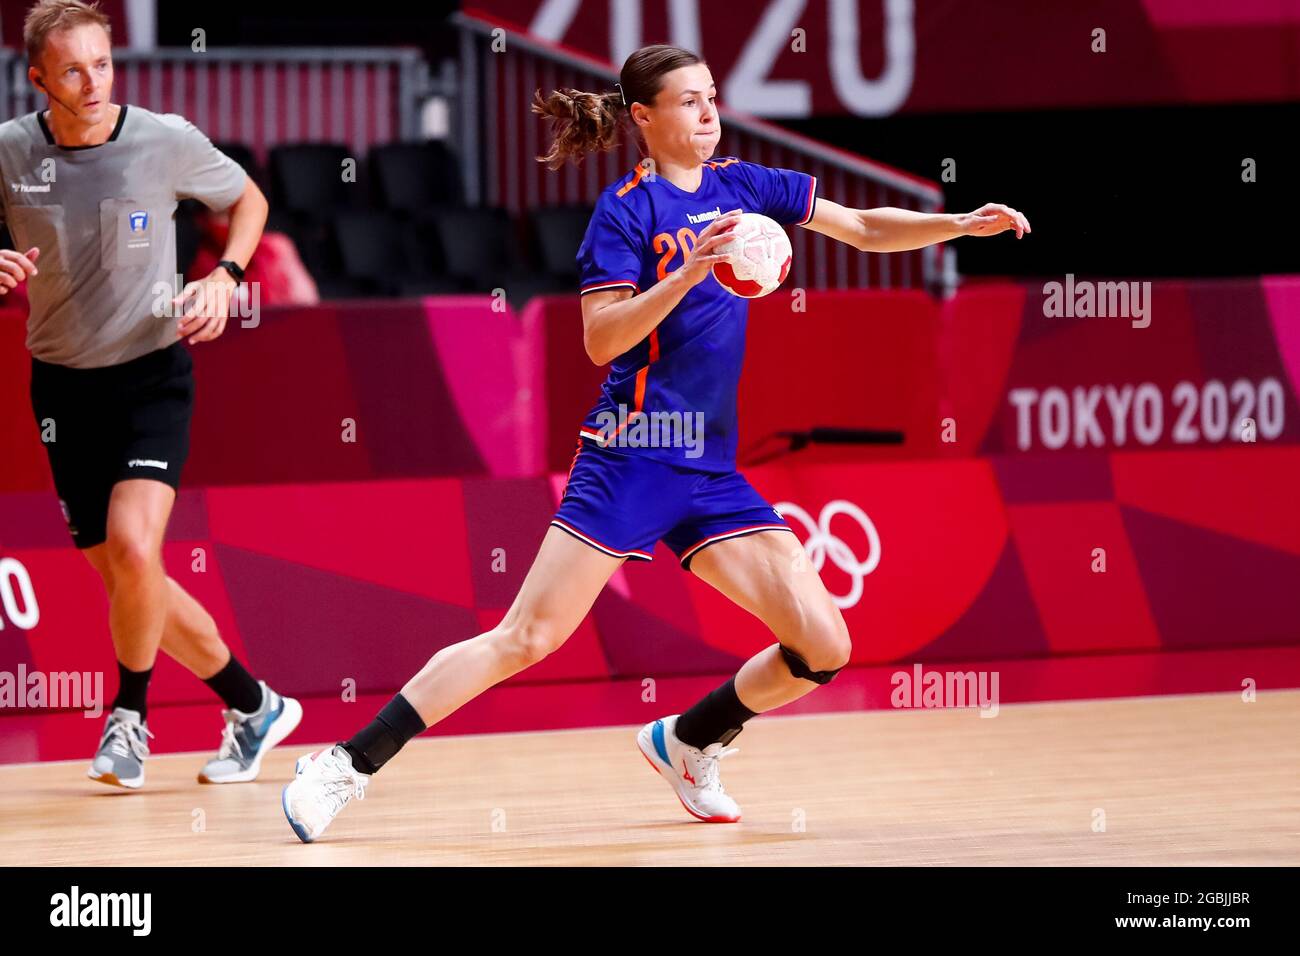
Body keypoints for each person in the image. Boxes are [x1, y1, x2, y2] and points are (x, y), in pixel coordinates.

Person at [282, 43, 1029, 841]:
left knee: (824, 645)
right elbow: (601, 340)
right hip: (632, 452)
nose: (708, 115)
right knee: (527, 636)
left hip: (708, 465)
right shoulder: (625, 212)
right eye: (689, 102)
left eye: (712, 98)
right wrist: (687, 275)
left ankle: (690, 739)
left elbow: (862, 227)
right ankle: (343, 765)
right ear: (644, 118)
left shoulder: (745, 187)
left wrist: (955, 224)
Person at [0, 0, 301, 789]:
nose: (92, 81)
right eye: (72, 68)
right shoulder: (9, 151)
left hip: (149, 372)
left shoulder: (161, 140)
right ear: (39, 78)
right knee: (132, 580)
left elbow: (249, 201)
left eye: (101, 62)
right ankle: (255, 704)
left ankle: (128, 721)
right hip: (60, 384)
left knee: (136, 549)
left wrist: (226, 277)